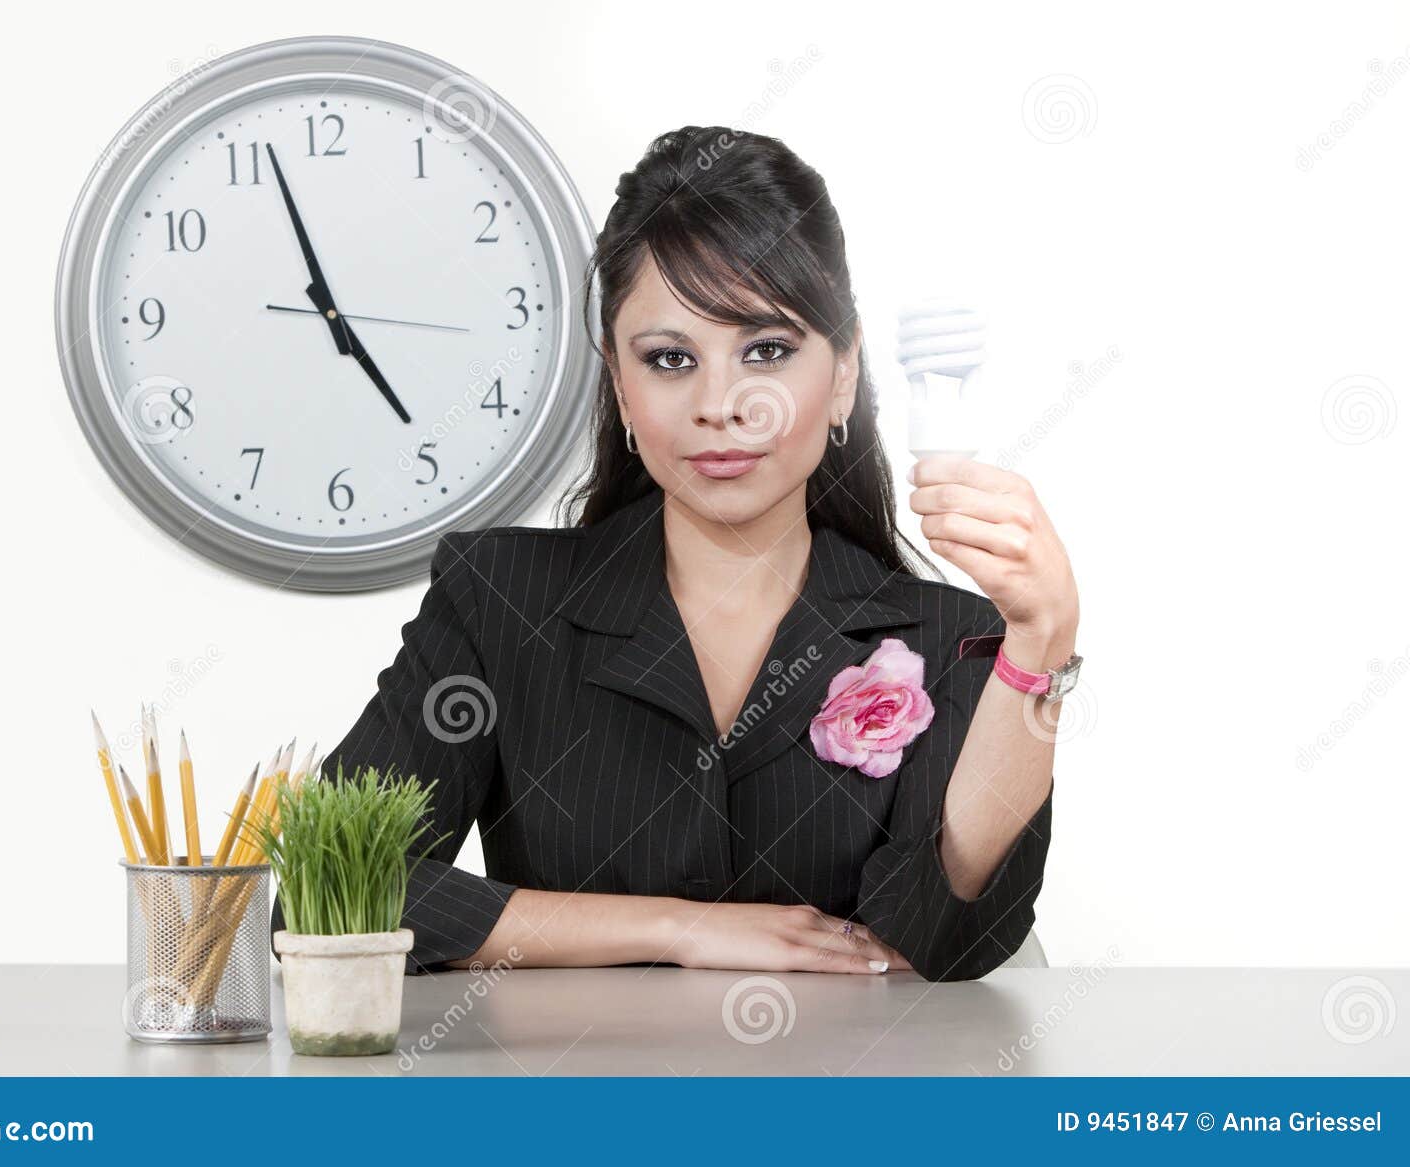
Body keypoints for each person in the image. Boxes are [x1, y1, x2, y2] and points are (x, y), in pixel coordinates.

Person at [279, 125, 1080, 982]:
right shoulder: (496, 597)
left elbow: (943, 938)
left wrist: (1042, 642)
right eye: (669, 359)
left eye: (766, 351)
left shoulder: (947, 636)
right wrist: (678, 927)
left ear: (844, 372)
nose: (720, 405)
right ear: (622, 385)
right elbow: (328, 894)